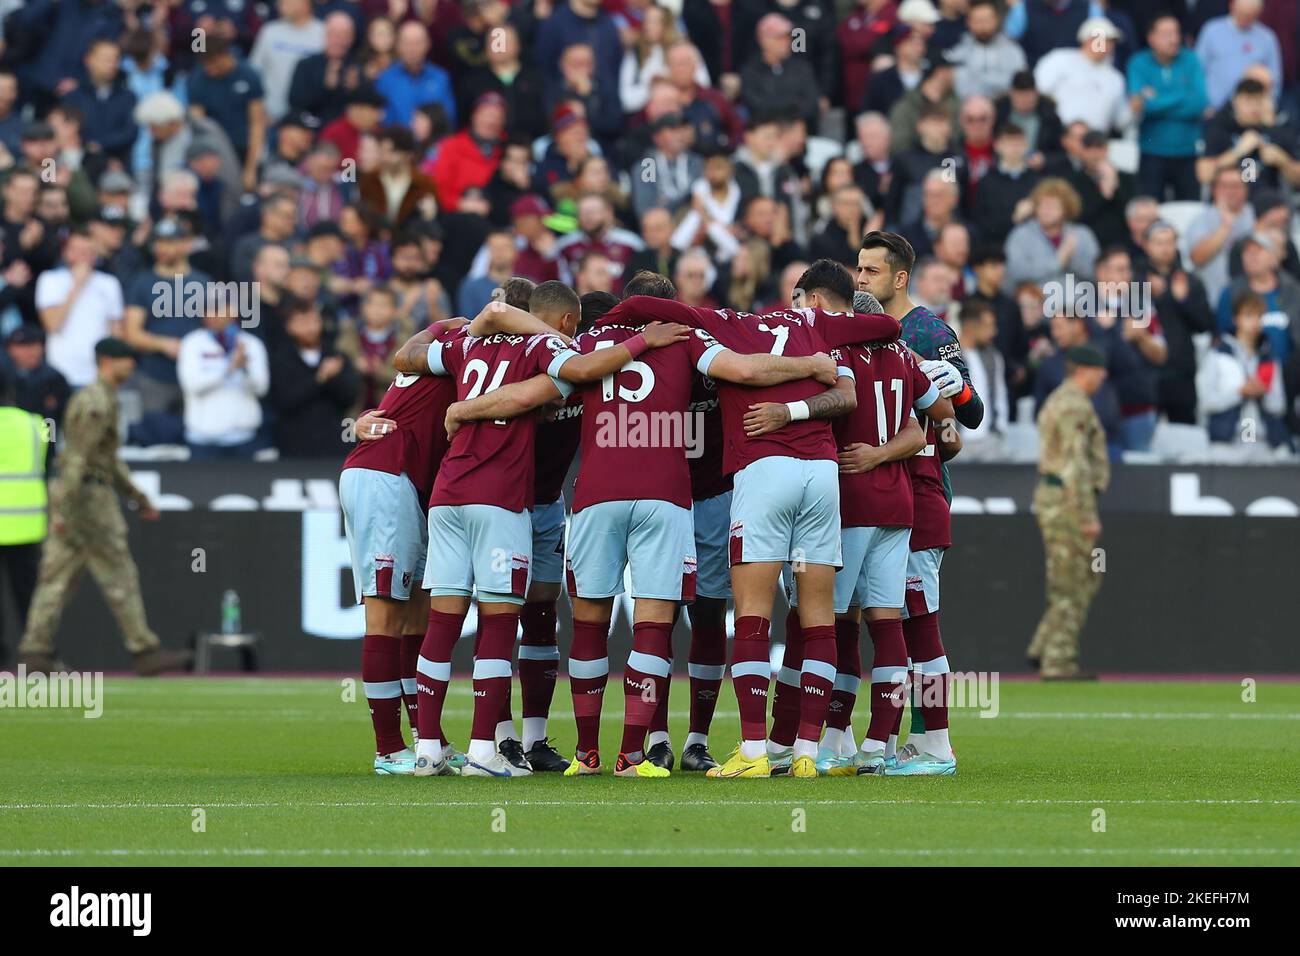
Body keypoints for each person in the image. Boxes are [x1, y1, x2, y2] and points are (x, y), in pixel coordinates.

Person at [18, 338, 191, 676]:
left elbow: (103, 458)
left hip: (78, 493)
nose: (132, 365)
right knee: (119, 572)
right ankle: (143, 648)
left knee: (57, 577)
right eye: (127, 359)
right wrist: (65, 508)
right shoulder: (96, 400)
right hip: (87, 497)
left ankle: (34, 651)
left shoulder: (101, 398)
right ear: (107, 362)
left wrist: (136, 498)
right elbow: (80, 457)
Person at [1028, 344, 1110, 681]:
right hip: (1068, 501)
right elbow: (1075, 463)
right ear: (1087, 371)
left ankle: (1044, 644)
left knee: (1081, 575)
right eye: (1100, 372)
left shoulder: (1061, 400)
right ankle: (1058, 659)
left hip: (1057, 497)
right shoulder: (1074, 405)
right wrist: (1087, 514)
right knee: (1072, 580)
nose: (1103, 378)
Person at [176, 293, 271, 459]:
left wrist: (245, 367)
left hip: (243, 437)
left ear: (233, 311)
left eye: (219, 309)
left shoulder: (251, 344)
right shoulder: (192, 343)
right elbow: (192, 385)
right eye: (209, 310)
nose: (213, 315)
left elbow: (262, 388)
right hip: (202, 438)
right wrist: (229, 368)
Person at [35, 228, 124, 389]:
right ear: (66, 252)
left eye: (88, 251)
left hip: (99, 374)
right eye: (77, 250)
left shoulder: (110, 283)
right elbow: (52, 324)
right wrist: (76, 286)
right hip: (61, 371)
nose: (83, 256)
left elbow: (116, 331)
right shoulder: (50, 280)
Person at [0, 375, 46, 667]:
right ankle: (38, 655)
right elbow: (47, 461)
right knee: (29, 597)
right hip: (26, 523)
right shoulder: (36, 425)